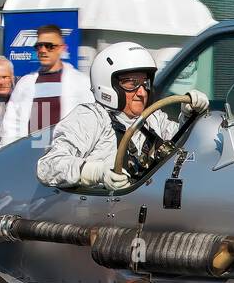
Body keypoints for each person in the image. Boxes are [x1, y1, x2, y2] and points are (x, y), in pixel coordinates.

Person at [36, 41, 208, 191]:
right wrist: (96, 172)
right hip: (97, 218)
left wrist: (189, 116)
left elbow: (184, 147)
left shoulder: (153, 119)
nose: (142, 92)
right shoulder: (92, 118)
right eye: (132, 84)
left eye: (145, 83)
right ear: (108, 85)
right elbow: (48, 167)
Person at [0, 24, 89, 146]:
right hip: (30, 155)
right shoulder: (25, 83)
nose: (43, 50)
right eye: (39, 46)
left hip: (65, 155)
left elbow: (90, 122)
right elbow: (11, 123)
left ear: (61, 48)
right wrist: (7, 154)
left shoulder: (80, 82)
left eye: (49, 46)